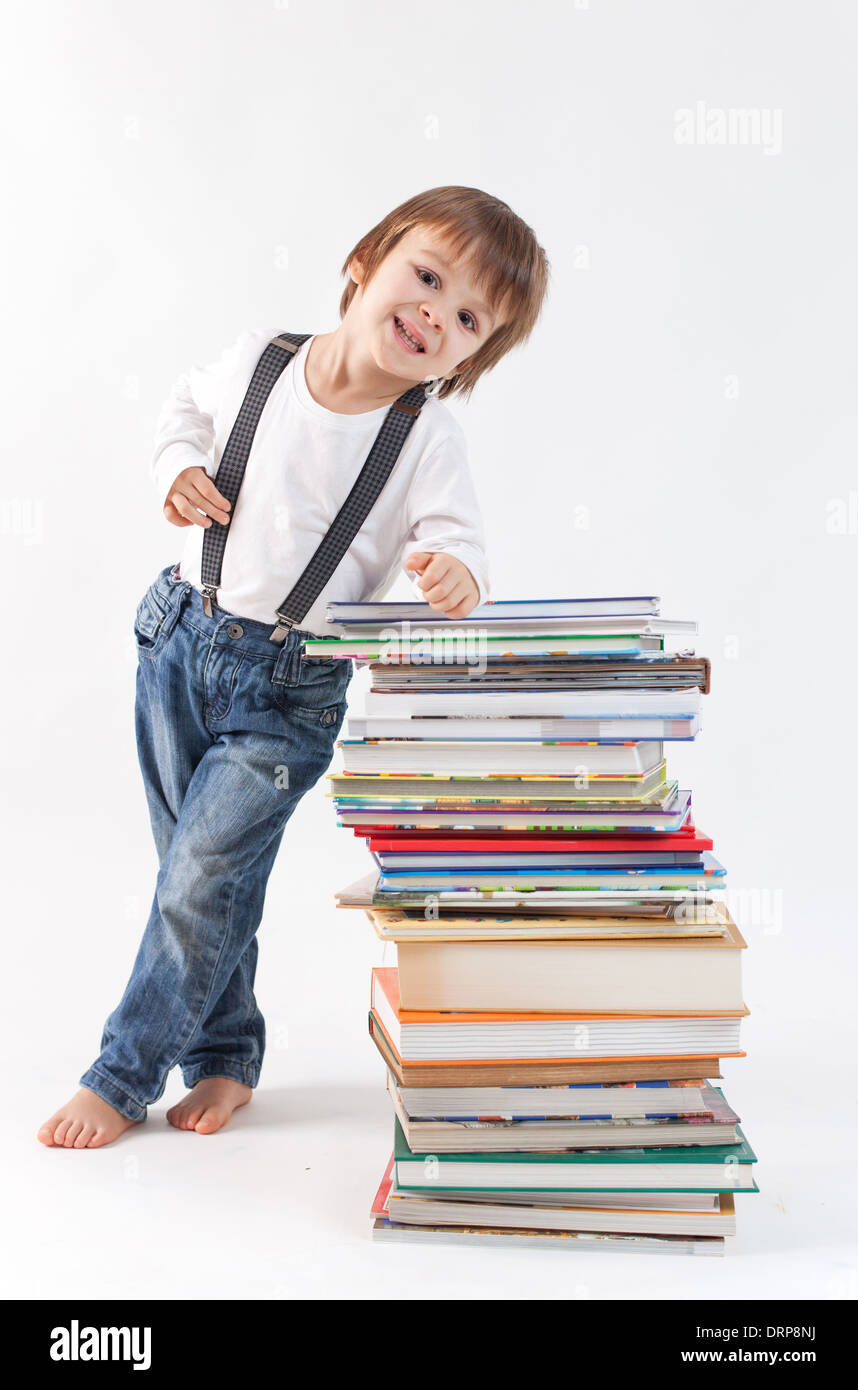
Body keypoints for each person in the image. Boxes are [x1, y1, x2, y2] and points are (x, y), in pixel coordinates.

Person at [37, 185, 550, 1148]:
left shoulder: (425, 438)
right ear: (367, 262)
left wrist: (454, 573)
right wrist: (174, 471)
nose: (437, 312)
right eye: (428, 277)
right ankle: (227, 1058)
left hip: (287, 691)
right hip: (176, 641)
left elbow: (462, 540)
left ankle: (122, 1072)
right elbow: (179, 412)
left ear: (470, 357)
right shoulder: (257, 361)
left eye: (469, 317)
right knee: (195, 875)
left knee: (199, 875)